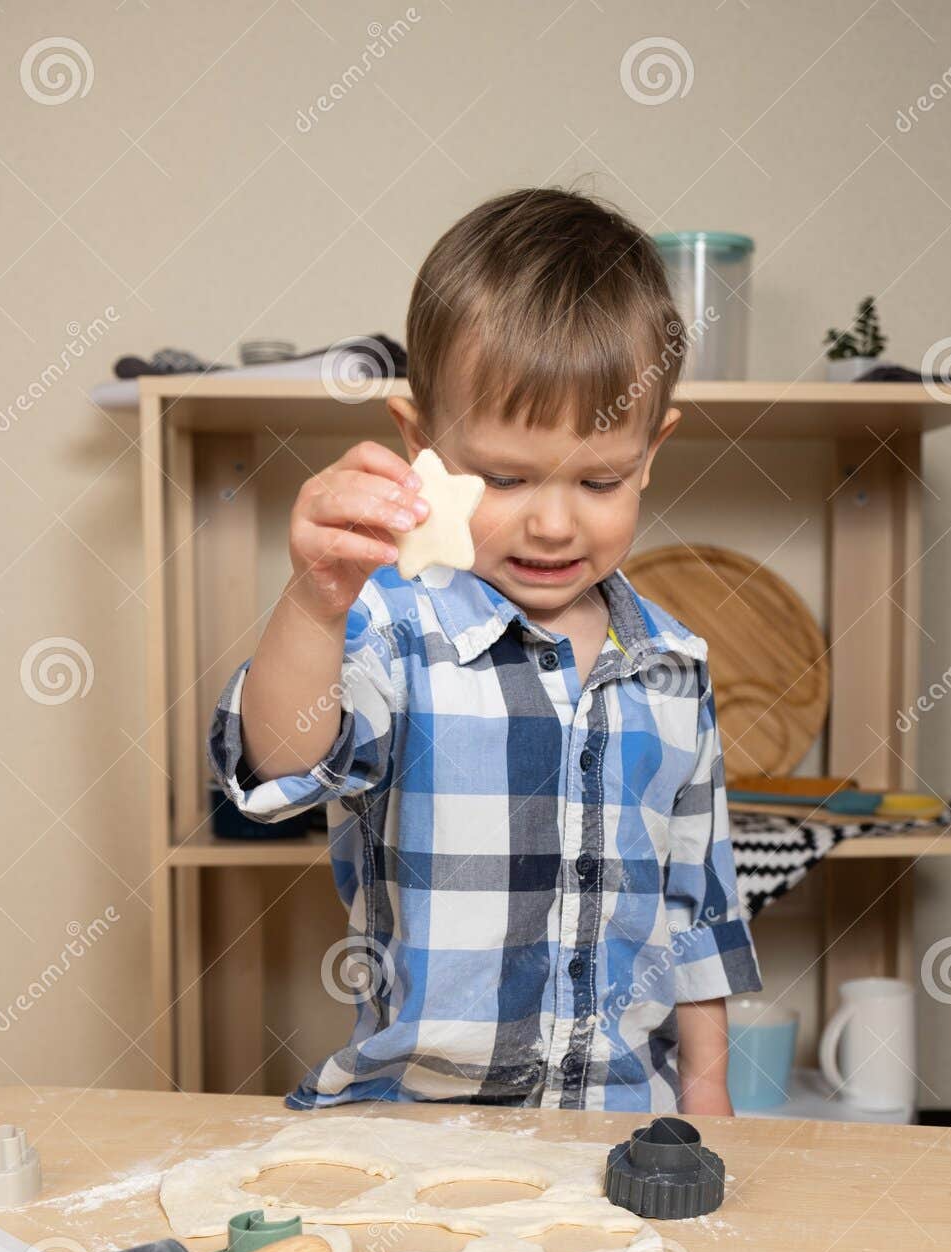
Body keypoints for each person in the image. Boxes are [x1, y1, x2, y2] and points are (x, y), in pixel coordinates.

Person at [208, 186, 761, 1114]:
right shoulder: (391, 627)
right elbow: (277, 772)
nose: (552, 522)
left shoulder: (674, 665)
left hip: (614, 1134)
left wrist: (708, 1112)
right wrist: (314, 602)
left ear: (651, 450)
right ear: (422, 444)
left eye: (599, 478)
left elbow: (698, 911)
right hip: (410, 1133)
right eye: (503, 477)